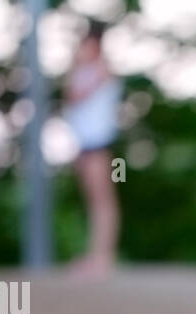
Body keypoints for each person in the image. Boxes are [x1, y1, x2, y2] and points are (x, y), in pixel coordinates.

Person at [63, 22, 121, 278]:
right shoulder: (85, 71)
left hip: (101, 147)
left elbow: (76, 96)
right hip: (85, 146)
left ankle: (104, 257)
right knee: (94, 202)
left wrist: (78, 68)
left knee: (104, 201)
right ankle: (95, 255)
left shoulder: (101, 70)